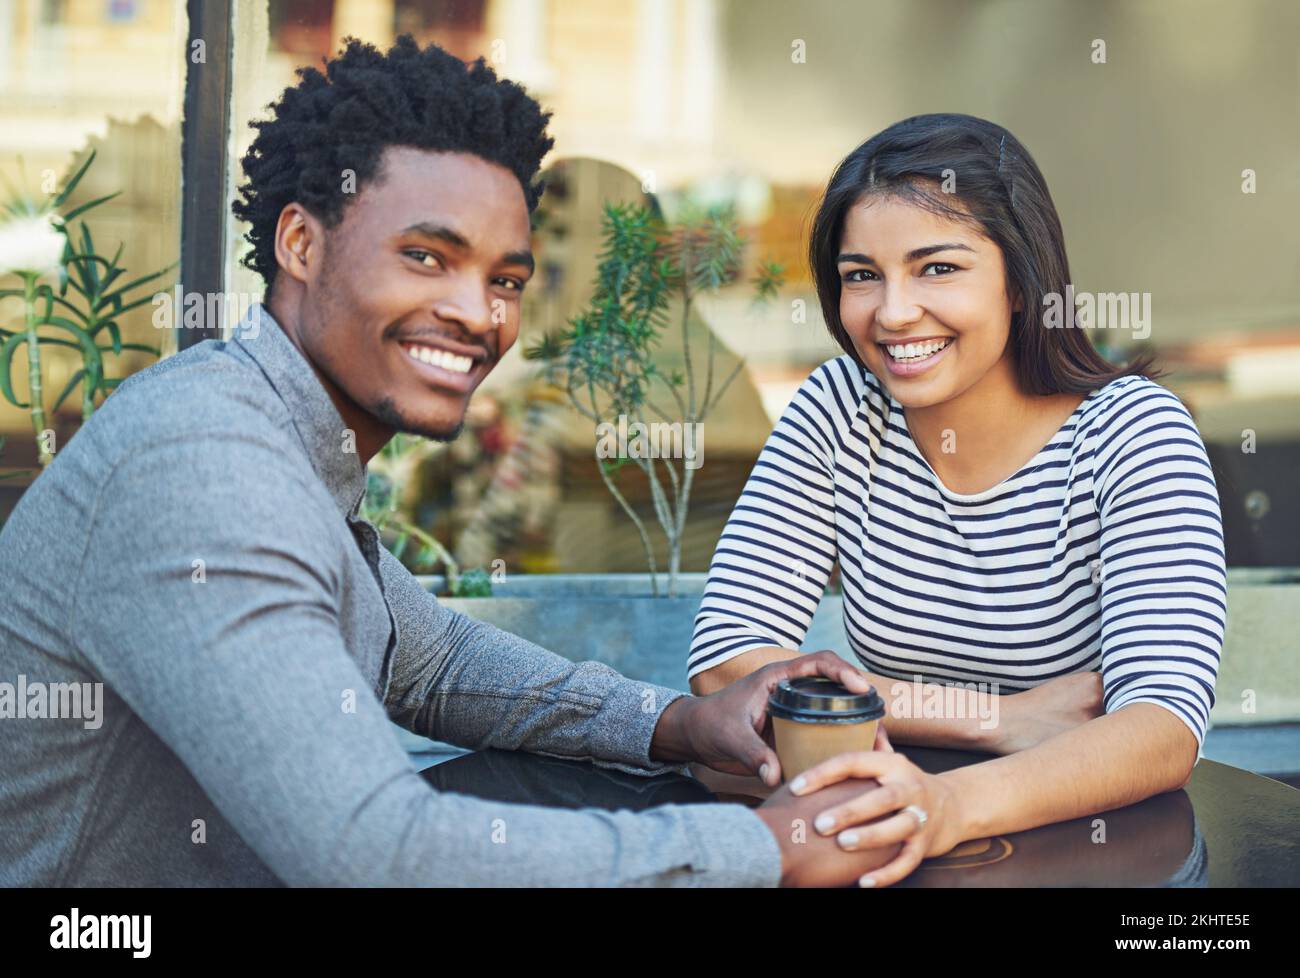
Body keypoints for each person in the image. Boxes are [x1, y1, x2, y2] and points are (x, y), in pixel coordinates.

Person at [0, 36, 893, 888]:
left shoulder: (280, 432)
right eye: (426, 257)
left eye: (505, 280)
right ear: (299, 244)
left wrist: (680, 724)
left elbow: (427, 664)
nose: (477, 313)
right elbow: (373, 855)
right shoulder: (204, 468)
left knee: (601, 793)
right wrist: (759, 850)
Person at [687, 113, 1226, 887]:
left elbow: (1160, 729)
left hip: (1091, 856)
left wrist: (946, 805)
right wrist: (993, 720)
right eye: (861, 274)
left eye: (937, 268)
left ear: (1020, 278)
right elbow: (726, 665)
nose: (893, 312)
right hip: (891, 837)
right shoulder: (841, 407)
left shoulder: (1134, 432)